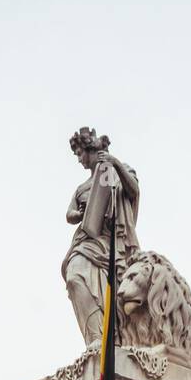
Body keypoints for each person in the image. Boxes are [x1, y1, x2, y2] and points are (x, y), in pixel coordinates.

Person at [62, 127, 140, 348]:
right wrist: (78, 214)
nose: (79, 159)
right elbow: (69, 213)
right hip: (87, 240)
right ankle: (95, 337)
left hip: (114, 241)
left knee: (117, 291)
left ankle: (114, 337)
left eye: (80, 153)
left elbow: (133, 191)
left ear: (90, 149)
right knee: (74, 275)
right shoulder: (81, 188)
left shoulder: (116, 170)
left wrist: (115, 163)